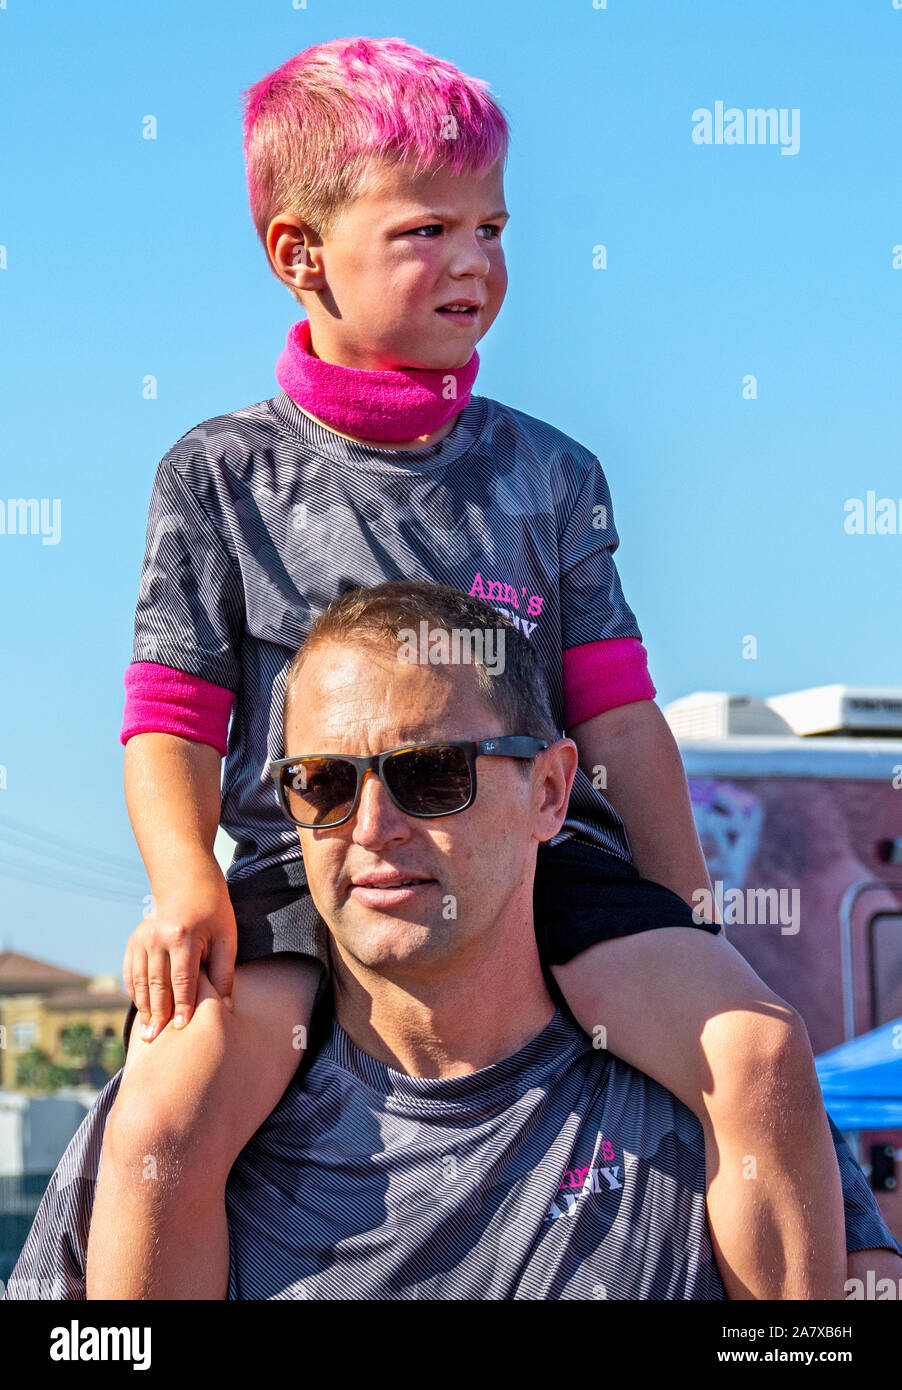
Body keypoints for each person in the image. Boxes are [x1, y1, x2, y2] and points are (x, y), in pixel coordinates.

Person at [84, 37, 865, 1299]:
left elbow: (614, 711)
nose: (474, 263)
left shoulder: (550, 474)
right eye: (426, 229)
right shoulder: (219, 476)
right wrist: (184, 887)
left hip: (541, 860)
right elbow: (171, 714)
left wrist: (678, 906)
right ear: (299, 256)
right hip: (307, 878)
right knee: (164, 1127)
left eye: (492, 228)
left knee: (759, 1050)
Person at [7, 585, 900, 1300]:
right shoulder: (165, 1126)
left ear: (552, 792)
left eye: (432, 774)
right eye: (321, 782)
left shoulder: (704, 1096)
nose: (372, 826)